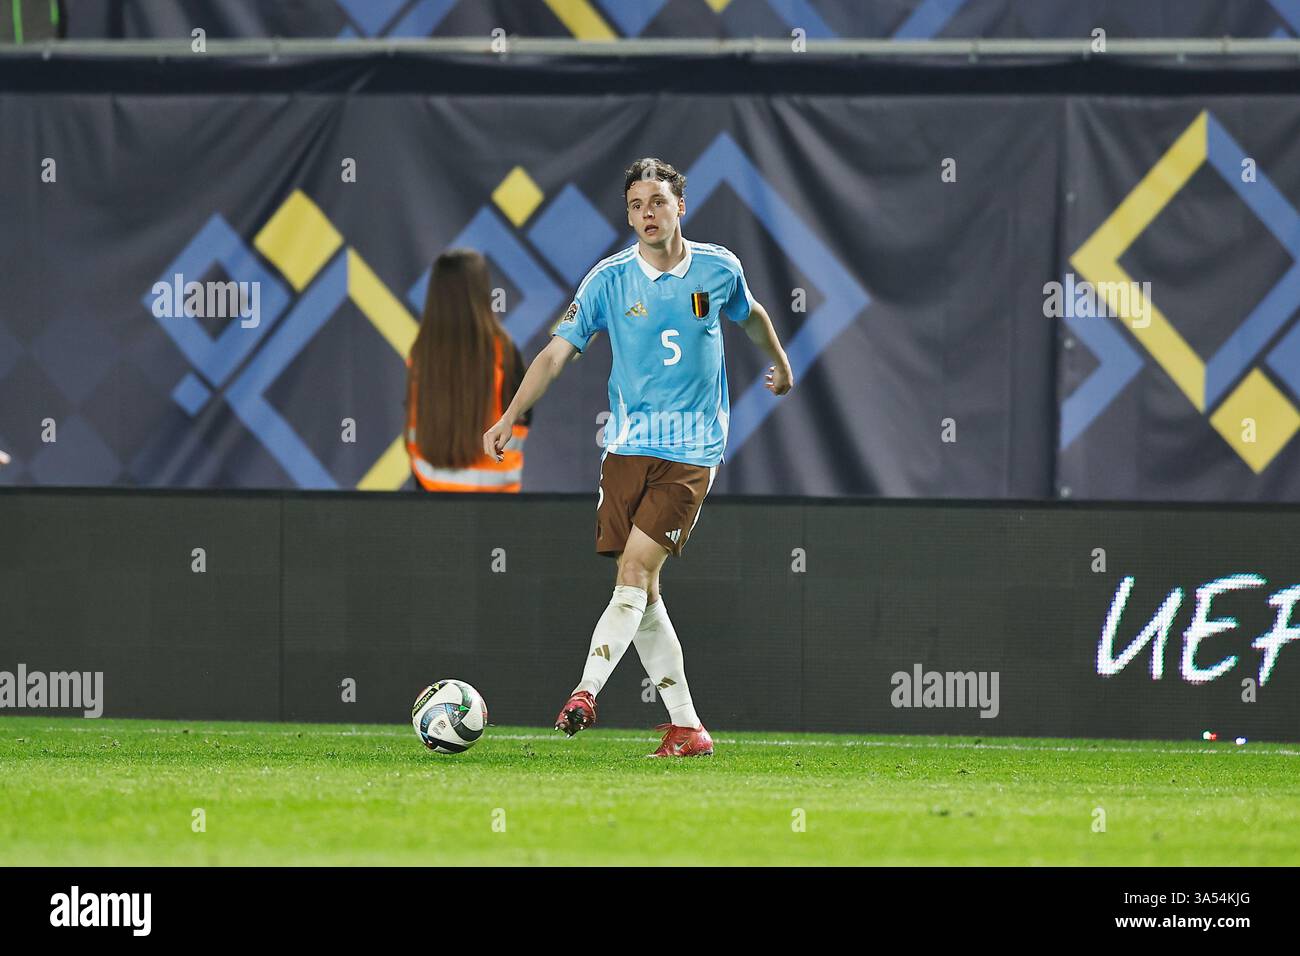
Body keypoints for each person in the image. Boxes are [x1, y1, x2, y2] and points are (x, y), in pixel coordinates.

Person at [483, 157, 793, 757]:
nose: (646, 214)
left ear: (681, 205)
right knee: (644, 590)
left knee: (633, 573)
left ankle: (585, 692)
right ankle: (687, 727)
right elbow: (553, 355)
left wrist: (779, 362)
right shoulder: (608, 280)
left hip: (691, 451)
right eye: (634, 205)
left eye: (656, 202)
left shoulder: (718, 268)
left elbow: (751, 315)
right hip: (626, 451)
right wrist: (509, 414)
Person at [407, 249, 530, 492]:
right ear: (481, 291)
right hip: (497, 504)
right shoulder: (505, 352)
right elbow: (524, 417)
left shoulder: (420, 354)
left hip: (431, 497)